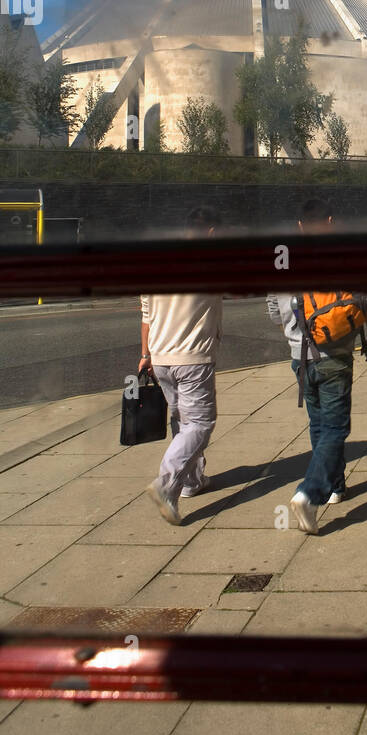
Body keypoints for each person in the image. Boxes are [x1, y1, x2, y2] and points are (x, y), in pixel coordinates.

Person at [266, 197, 367, 535]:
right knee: (335, 428)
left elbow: (273, 308)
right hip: (336, 356)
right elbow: (366, 301)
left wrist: (294, 335)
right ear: (330, 221)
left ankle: (335, 487)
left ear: (300, 225)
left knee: (319, 425)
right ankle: (309, 492)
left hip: (299, 358)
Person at [140, 206, 223, 525]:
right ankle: (167, 484)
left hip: (159, 357)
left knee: (181, 420)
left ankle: (192, 481)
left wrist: (145, 353)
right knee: (200, 423)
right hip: (192, 357)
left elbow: (145, 311)